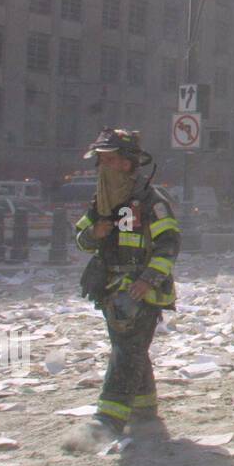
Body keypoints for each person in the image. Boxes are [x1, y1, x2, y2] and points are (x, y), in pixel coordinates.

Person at [63, 128, 180, 448]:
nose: (103, 167)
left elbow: (169, 245)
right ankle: (144, 414)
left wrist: (146, 280)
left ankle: (107, 421)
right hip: (111, 289)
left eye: (109, 160)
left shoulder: (152, 200)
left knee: (126, 349)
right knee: (131, 349)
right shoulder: (101, 201)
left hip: (143, 291)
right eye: (100, 161)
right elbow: (81, 239)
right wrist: (94, 234)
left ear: (127, 163)